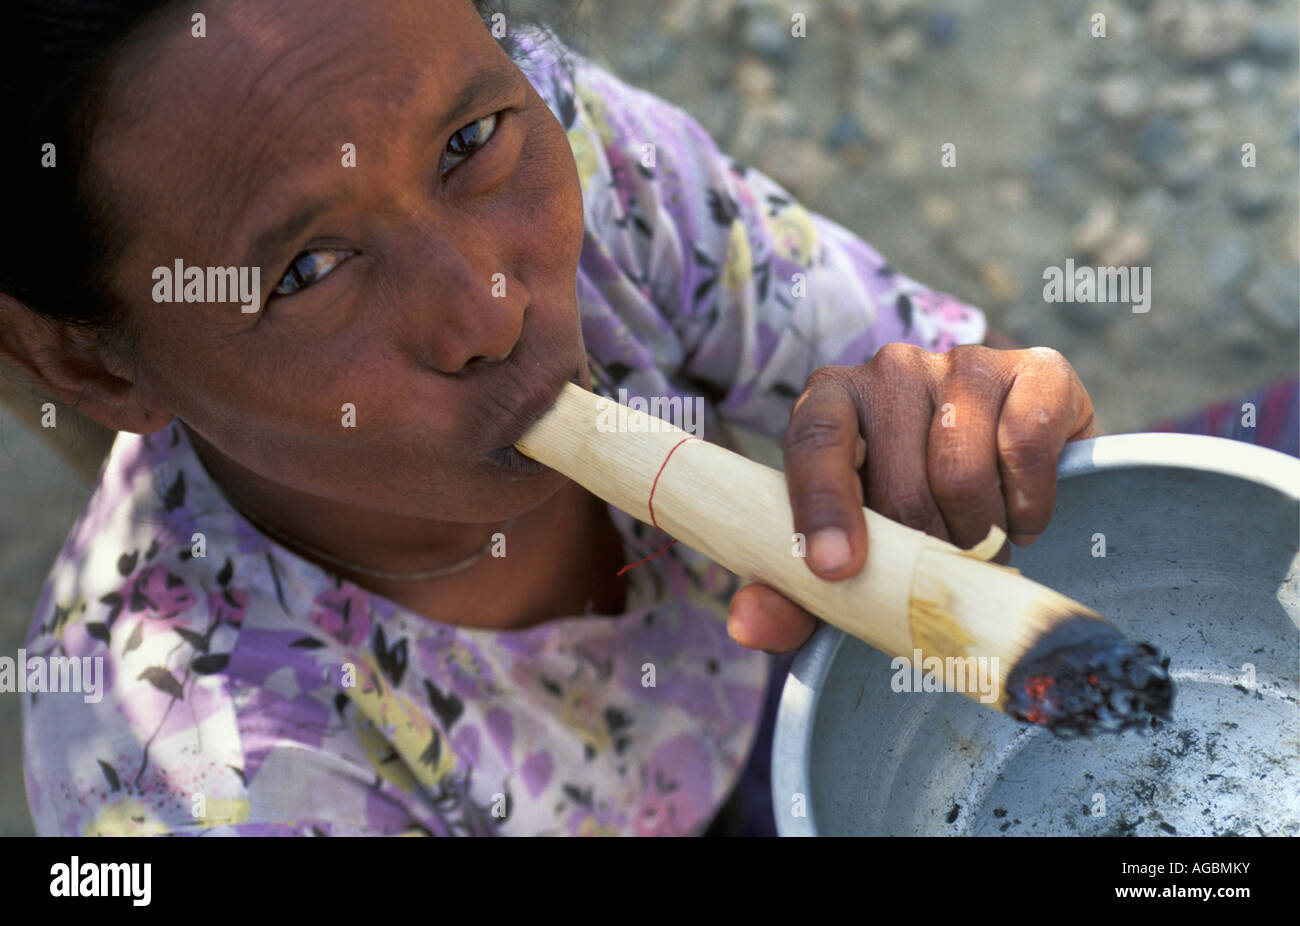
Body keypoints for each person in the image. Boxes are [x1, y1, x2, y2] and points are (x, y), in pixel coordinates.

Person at [2, 0, 1097, 836]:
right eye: (311, 268)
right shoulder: (208, 781)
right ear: (80, 366)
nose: (489, 307)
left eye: (467, 144)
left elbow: (894, 366)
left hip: (786, 692)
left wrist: (950, 434)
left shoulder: (584, 151)